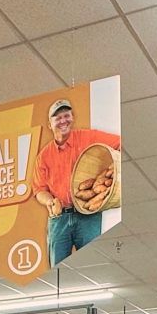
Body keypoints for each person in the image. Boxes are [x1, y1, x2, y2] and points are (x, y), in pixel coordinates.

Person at [30, 100, 121, 267]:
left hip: (88, 214)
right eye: (58, 117)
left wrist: (114, 170)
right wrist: (50, 201)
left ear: (72, 118)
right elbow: (39, 190)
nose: (63, 120)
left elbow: (120, 143)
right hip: (59, 218)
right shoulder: (44, 156)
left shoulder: (89, 137)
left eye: (67, 115)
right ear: (49, 124)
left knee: (90, 266)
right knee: (57, 270)